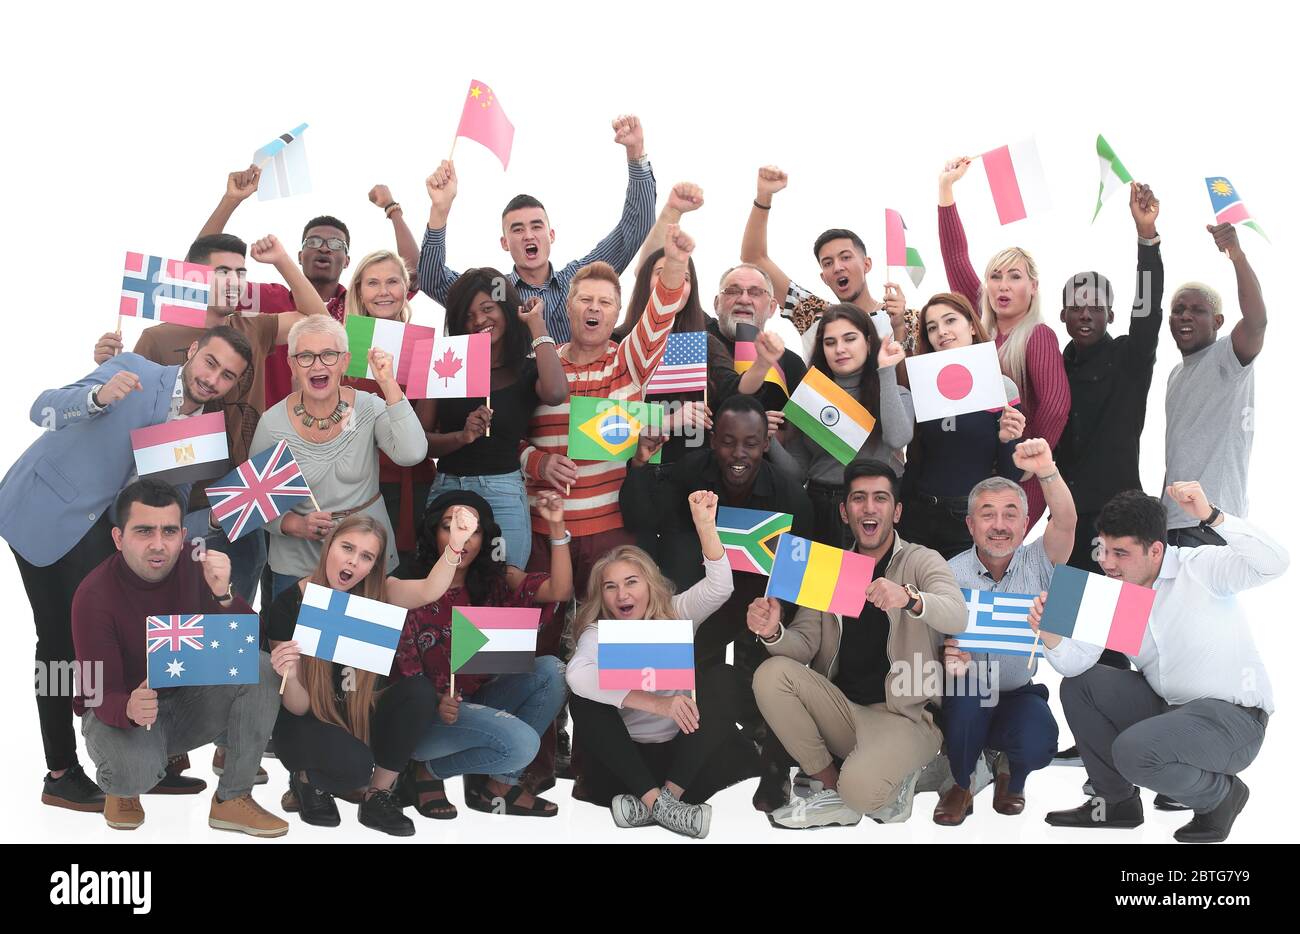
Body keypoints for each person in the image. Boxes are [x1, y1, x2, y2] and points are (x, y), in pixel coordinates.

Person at [0, 325, 252, 812]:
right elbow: (42, 409)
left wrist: (207, 528)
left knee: (139, 633)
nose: (213, 379)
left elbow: (170, 502)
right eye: (210, 363)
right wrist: (95, 397)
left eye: (227, 376)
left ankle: (143, 756)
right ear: (193, 351)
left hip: (110, 535)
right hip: (47, 513)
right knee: (60, 646)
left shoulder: (200, 431)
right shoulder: (134, 370)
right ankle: (60, 772)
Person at [1032, 484, 1284, 843]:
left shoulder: (1198, 568)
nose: (1107, 562)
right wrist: (1051, 636)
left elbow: (1275, 563)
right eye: (1104, 549)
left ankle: (1221, 796)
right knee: (1081, 687)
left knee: (1134, 752)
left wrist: (1212, 517)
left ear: (1155, 550)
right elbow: (1073, 666)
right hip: (1170, 713)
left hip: (1234, 722)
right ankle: (1115, 804)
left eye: (1121, 552)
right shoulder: (1111, 591)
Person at [92, 233, 330, 602]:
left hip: (244, 501)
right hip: (175, 506)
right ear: (195, 278)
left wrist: (283, 260)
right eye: (222, 271)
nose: (235, 281)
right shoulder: (158, 337)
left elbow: (319, 322)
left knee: (231, 620)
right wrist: (109, 369)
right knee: (171, 619)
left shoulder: (254, 327)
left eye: (240, 272)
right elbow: (125, 415)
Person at [620, 393, 815, 810]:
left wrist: (780, 609)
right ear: (712, 441)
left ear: (766, 444)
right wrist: (639, 465)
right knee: (693, 675)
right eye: (728, 441)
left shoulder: (789, 495)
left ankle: (775, 766)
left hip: (762, 599)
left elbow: (805, 565)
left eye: (750, 442)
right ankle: (692, 760)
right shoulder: (691, 472)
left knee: (772, 678)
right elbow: (645, 521)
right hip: (707, 594)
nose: (738, 453)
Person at [749, 460, 967, 829]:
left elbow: (956, 616)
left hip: (907, 718)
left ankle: (881, 783)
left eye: (880, 498)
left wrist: (909, 598)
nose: (869, 507)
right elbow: (803, 645)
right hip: (845, 712)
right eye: (858, 499)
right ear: (844, 511)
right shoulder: (830, 567)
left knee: (865, 792)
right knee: (771, 674)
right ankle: (832, 787)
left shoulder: (921, 560)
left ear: (896, 511)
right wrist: (774, 632)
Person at [72, 479, 285, 835]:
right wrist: (127, 708)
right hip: (120, 711)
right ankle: (122, 788)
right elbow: (96, 694)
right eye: (143, 531)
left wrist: (223, 595)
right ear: (118, 538)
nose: (159, 545)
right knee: (135, 772)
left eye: (169, 531)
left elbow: (245, 644)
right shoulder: (92, 595)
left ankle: (233, 798)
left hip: (185, 701)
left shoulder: (195, 562)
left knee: (262, 668)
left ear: (183, 533)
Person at [566, 491, 759, 838]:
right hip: (626, 768)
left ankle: (663, 803)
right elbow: (577, 675)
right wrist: (658, 703)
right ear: (602, 596)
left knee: (723, 677)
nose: (622, 594)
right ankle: (659, 804)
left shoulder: (675, 612)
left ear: (649, 585)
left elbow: (720, 586)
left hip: (681, 766)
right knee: (583, 700)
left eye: (631, 582)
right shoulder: (599, 631)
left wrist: (705, 526)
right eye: (610, 587)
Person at [265, 514, 461, 836]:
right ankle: (306, 780)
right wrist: (290, 672)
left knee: (419, 692)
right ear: (329, 547)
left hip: (356, 714)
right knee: (355, 767)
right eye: (347, 548)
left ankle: (377, 796)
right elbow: (297, 707)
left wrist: (454, 545)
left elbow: (428, 591)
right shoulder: (289, 605)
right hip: (305, 720)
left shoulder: (378, 592)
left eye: (366, 556)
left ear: (373, 565)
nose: (353, 562)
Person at [396, 490, 571, 818]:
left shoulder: (497, 581)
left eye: (471, 530)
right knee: (522, 744)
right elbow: (394, 674)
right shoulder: (409, 582)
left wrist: (557, 527)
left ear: (484, 537)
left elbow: (559, 591)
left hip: (475, 705)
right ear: (434, 531)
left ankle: (498, 787)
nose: (460, 537)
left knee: (552, 671)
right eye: (449, 527)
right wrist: (434, 699)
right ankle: (424, 772)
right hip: (423, 716)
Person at [195, 165, 422, 408]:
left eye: (336, 244)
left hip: (336, 434)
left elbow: (412, 274)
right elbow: (199, 275)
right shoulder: (266, 299)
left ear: (346, 261)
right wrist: (231, 200)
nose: (324, 248)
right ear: (300, 255)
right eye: (314, 242)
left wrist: (392, 208)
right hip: (268, 429)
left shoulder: (359, 308)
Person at [933, 440, 1075, 825]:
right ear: (970, 524)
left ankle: (1013, 773)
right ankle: (962, 783)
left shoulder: (1040, 561)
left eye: (1010, 515)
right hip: (970, 690)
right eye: (987, 514)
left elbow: (1064, 521)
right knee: (966, 693)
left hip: (1018, 692)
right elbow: (930, 643)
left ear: (1025, 524)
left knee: (1040, 740)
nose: (999, 525)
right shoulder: (947, 573)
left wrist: (1046, 469)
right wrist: (948, 661)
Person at [419, 115, 656, 343]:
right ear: (504, 242)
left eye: (536, 226)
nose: (529, 235)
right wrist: (440, 210)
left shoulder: (579, 279)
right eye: (517, 229)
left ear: (551, 235)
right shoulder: (497, 289)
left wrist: (636, 155)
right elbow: (432, 280)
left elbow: (633, 230)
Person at [251, 316, 428, 599]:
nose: (318, 365)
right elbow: (254, 503)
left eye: (329, 355)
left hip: (365, 560)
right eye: (306, 356)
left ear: (345, 361)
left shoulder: (369, 406)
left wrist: (388, 383)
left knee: (363, 642)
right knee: (293, 644)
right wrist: (296, 525)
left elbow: (412, 453)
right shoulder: (272, 424)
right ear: (292, 364)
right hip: (300, 566)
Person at [937, 157, 1070, 528]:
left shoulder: (1038, 335)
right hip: (976, 465)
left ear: (1033, 287)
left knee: (998, 563)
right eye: (995, 277)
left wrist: (1026, 461)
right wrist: (946, 191)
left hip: (1020, 473)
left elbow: (1056, 407)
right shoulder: (978, 327)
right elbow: (955, 257)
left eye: (1015, 277)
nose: (1003, 286)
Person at [424, 270, 567, 571]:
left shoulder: (525, 369)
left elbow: (555, 392)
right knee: (448, 585)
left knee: (505, 587)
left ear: (505, 309)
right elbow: (421, 443)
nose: (479, 321)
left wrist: (536, 323)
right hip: (449, 488)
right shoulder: (442, 362)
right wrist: (461, 437)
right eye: (468, 315)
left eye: (488, 309)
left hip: (503, 492)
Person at [1162, 222, 1267, 545]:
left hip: (1213, 520)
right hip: (1171, 523)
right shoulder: (1175, 375)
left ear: (1218, 322)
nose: (1185, 316)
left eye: (1197, 310)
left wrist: (1236, 256)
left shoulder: (1228, 356)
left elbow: (1257, 321)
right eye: (1178, 310)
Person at [898, 292, 1025, 558]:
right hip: (918, 517)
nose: (941, 332)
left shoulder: (1001, 387)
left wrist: (1005, 440)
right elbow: (915, 459)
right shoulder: (922, 384)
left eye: (950, 321)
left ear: (971, 326)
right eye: (932, 328)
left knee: (958, 598)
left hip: (967, 523)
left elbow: (1010, 478)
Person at [740, 166, 915, 359]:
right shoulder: (812, 314)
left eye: (846, 257)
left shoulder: (905, 317)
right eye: (828, 262)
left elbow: (914, 381)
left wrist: (898, 326)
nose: (838, 267)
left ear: (867, 265)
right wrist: (764, 196)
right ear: (824, 277)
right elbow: (753, 257)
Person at [340, 249, 438, 576]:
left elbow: (423, 426)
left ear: (405, 289)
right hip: (358, 484)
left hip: (412, 484)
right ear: (359, 292)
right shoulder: (344, 347)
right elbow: (343, 422)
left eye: (392, 281)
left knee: (405, 580)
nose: (383, 291)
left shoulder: (424, 345)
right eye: (373, 283)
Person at [781, 305, 913, 548]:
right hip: (820, 507)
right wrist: (767, 441)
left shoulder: (893, 391)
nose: (839, 349)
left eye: (850, 338)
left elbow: (898, 438)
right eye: (830, 342)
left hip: (873, 507)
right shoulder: (810, 395)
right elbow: (798, 471)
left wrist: (886, 372)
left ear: (869, 342)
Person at [613, 246, 714, 467]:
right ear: (644, 282)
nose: (675, 282)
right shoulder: (616, 341)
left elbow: (732, 395)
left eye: (684, 278)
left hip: (691, 474)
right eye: (664, 273)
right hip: (635, 471)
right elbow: (599, 421)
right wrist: (668, 421)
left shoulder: (706, 341)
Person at [706, 263, 808, 419]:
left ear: (772, 307)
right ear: (716, 304)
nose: (744, 299)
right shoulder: (696, 340)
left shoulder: (791, 364)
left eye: (756, 293)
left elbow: (799, 430)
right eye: (733, 291)